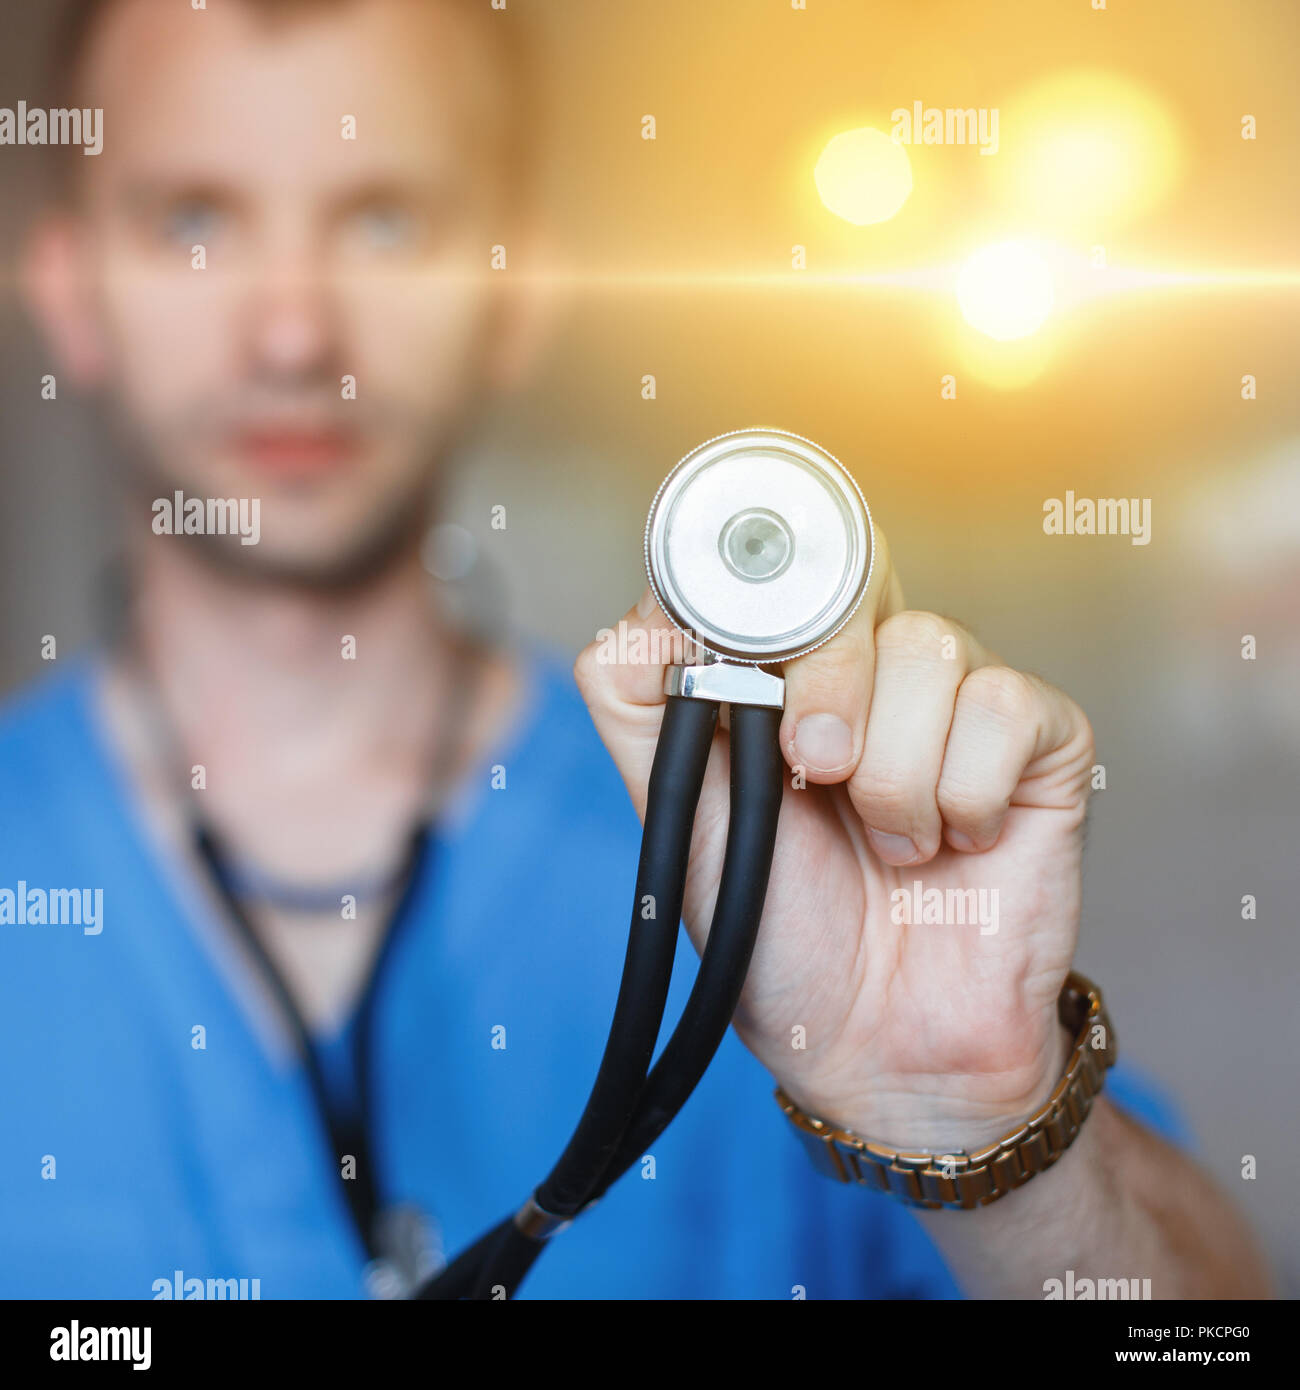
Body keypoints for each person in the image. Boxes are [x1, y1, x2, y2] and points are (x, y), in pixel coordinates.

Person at [0, 0, 1269, 1299]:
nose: (292, 333)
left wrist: (981, 1118)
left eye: (386, 222)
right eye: (193, 221)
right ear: (66, 290)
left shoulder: (787, 854)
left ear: (518, 295)